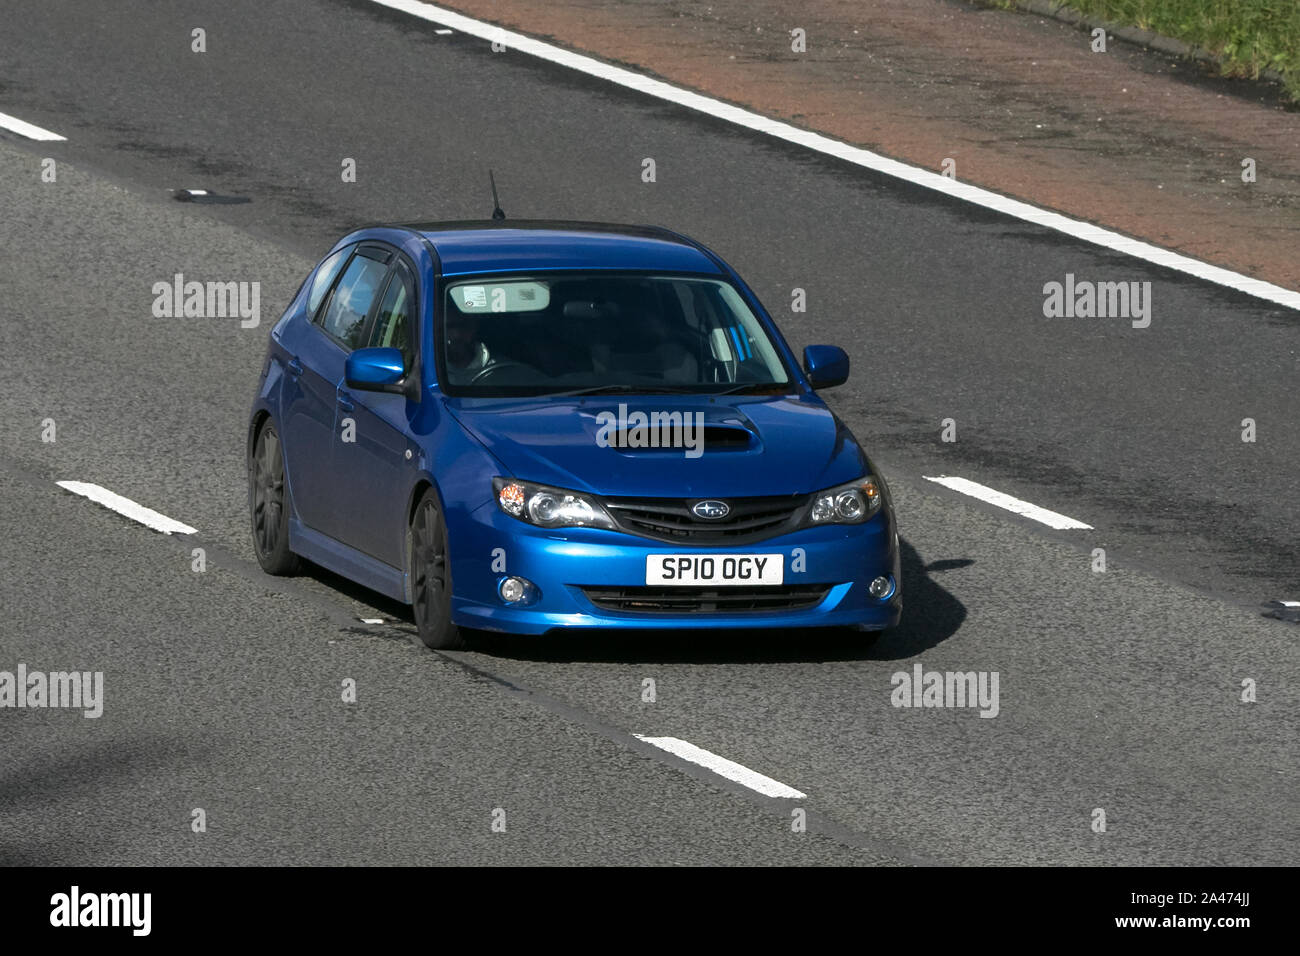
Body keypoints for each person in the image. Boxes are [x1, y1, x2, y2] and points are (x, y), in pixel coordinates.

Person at [446, 309, 491, 375]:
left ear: (475, 328)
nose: (457, 335)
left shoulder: (500, 369)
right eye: (450, 327)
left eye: (463, 326)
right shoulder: (432, 367)